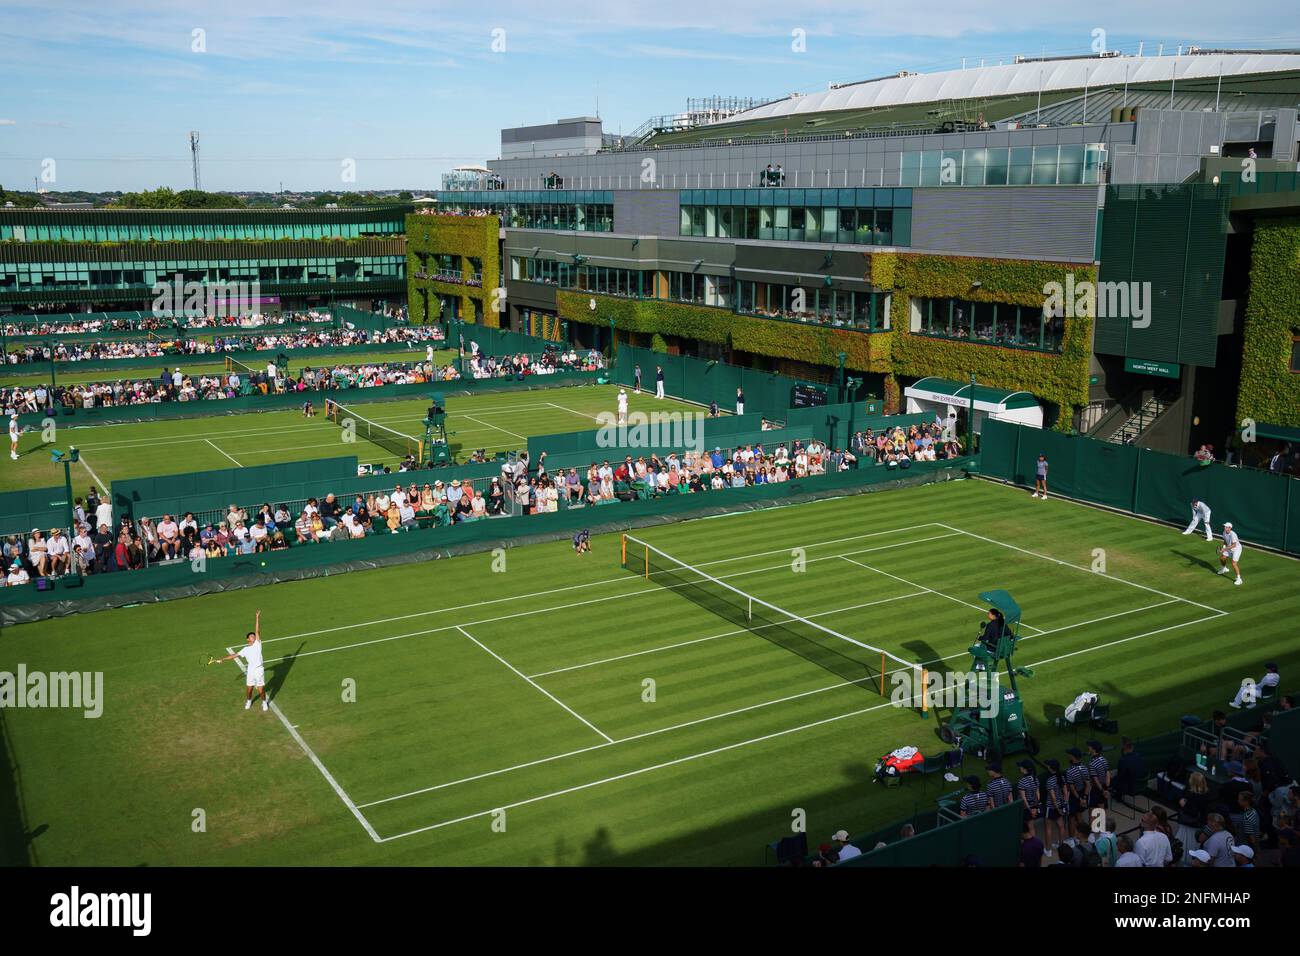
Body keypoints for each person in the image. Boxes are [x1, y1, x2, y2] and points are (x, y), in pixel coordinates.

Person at [218, 611, 269, 711]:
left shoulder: (258, 644)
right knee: (249, 689)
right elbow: (234, 655)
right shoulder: (245, 649)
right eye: (251, 636)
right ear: (247, 639)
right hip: (250, 670)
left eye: (254, 636)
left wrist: (257, 618)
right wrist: (222, 659)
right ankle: (249, 701)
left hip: (259, 670)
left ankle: (264, 702)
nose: (253, 636)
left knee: (261, 689)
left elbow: (257, 631)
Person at [1217, 521, 1243, 586]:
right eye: (1224, 526)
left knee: (1234, 563)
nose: (1224, 527)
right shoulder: (1224, 532)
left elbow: (1234, 545)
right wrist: (1223, 547)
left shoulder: (1233, 534)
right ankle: (1224, 568)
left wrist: (1224, 549)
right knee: (1222, 558)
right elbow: (1225, 541)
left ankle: (1239, 579)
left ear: (1230, 528)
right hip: (1229, 548)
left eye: (1226, 527)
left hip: (1236, 549)